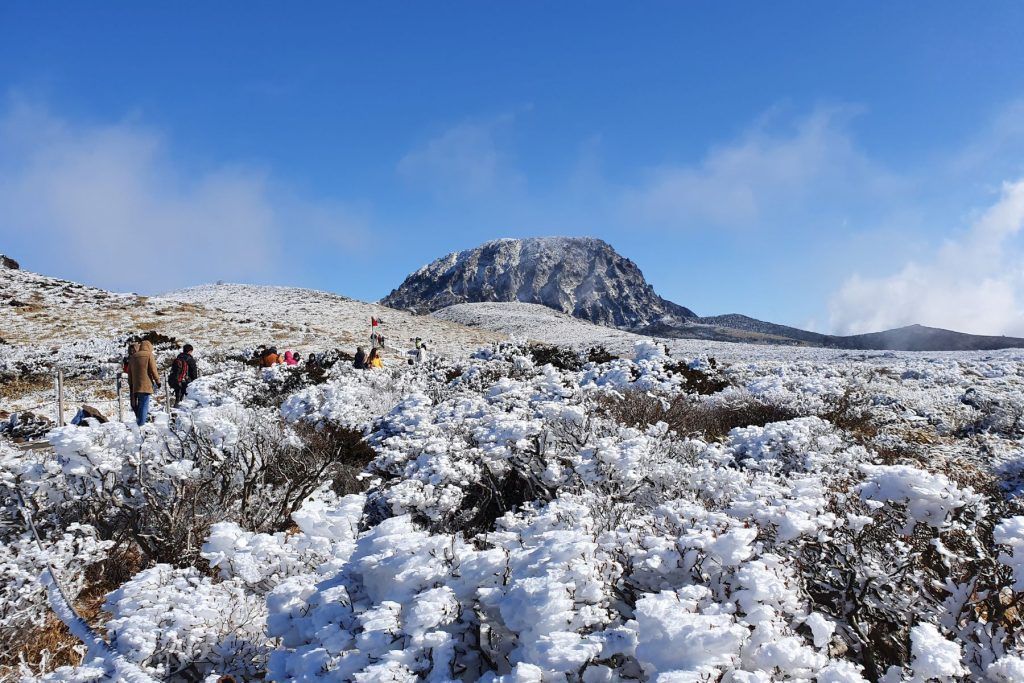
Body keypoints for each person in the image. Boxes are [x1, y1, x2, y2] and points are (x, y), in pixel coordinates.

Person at [126, 340, 160, 426]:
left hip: (135, 385)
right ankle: (141, 424)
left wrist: (131, 384)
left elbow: (129, 373)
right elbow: (153, 370)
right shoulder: (149, 355)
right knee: (144, 405)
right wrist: (158, 381)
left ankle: (140, 422)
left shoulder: (133, 357)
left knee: (140, 405)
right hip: (146, 384)